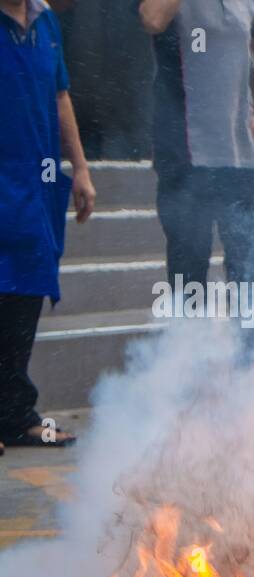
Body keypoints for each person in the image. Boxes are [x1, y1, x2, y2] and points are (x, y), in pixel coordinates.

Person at [138, 0, 254, 332]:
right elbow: (152, 19)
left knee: (251, 272)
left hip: (239, 159)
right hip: (185, 157)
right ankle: (187, 369)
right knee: (189, 274)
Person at [0, 0, 95, 454]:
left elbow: (60, 95)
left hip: (34, 183)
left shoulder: (46, 20)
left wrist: (80, 167)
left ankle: (16, 416)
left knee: (24, 294)